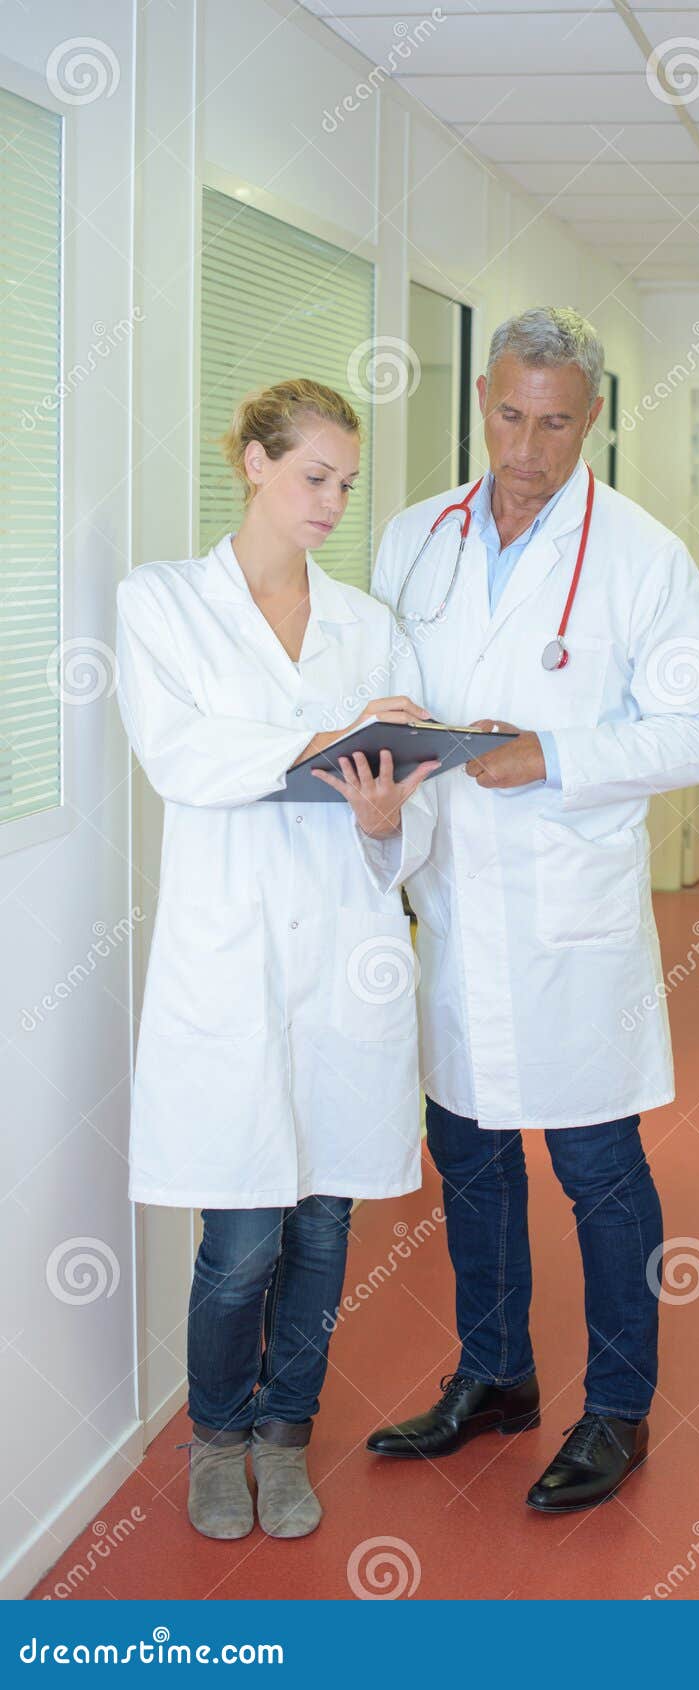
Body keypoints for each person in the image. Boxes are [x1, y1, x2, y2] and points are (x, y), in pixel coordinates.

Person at [362, 306, 699, 1512]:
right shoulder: (416, 537)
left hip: (571, 917)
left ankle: (618, 1407)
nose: (528, 449)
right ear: (481, 398)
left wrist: (555, 756)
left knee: (599, 1167)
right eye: (511, 416)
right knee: (467, 1155)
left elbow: (697, 733)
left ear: (596, 415)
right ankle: (497, 1376)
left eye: (557, 422)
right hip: (450, 904)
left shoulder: (642, 555)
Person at [115, 379, 437, 1542]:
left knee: (323, 1231)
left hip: (346, 958)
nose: (334, 501)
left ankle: (286, 1437)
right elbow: (183, 755)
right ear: (252, 462)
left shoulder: (371, 626)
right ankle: (216, 1439)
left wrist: (383, 808)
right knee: (241, 1241)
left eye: (347, 483)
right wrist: (327, 742)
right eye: (315, 476)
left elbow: (407, 822)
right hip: (232, 965)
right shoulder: (163, 603)